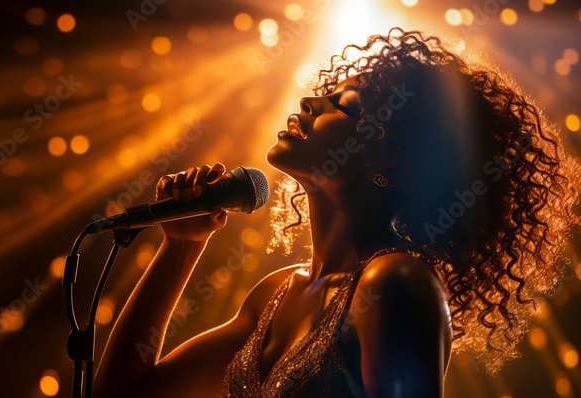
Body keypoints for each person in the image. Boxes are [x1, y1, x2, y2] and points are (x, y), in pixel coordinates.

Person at [92, 28, 579, 397]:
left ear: (389, 153)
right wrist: (179, 248)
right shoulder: (276, 294)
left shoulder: (395, 283)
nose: (307, 100)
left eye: (342, 106)